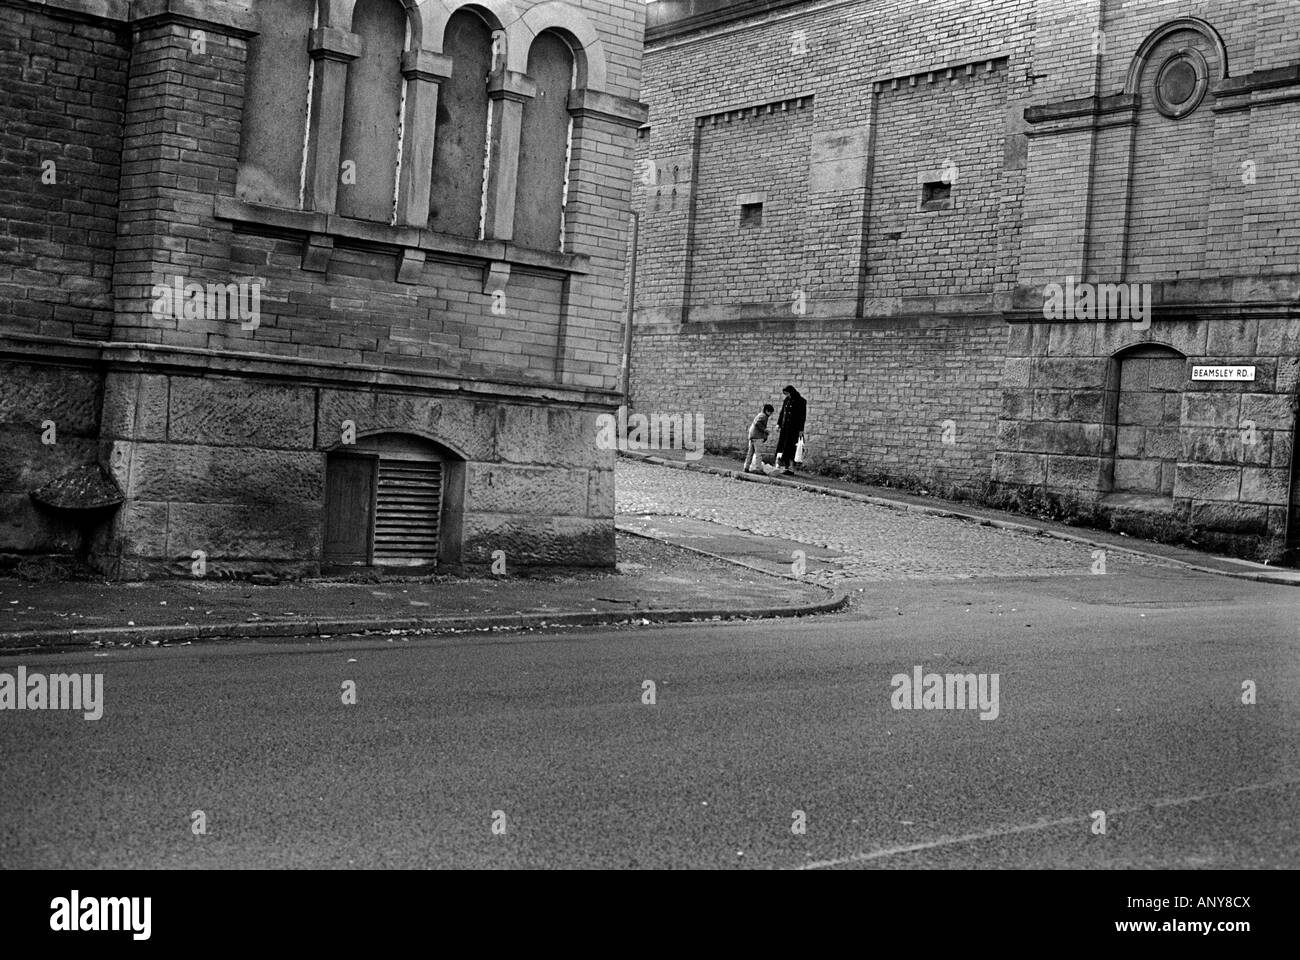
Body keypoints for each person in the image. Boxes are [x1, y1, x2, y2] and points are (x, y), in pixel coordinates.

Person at [774, 384, 807, 474]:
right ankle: (785, 466)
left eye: (787, 393)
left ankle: (791, 468)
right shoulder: (786, 400)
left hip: (794, 429)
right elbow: (782, 413)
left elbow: (802, 417)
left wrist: (801, 430)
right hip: (785, 428)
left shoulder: (801, 401)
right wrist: (779, 424)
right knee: (782, 447)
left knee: (791, 448)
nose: (787, 396)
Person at [745, 403, 774, 473]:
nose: (771, 414)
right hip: (757, 437)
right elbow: (758, 423)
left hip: (752, 436)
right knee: (758, 453)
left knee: (750, 453)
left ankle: (746, 467)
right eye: (770, 412)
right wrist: (765, 430)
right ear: (767, 411)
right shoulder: (764, 416)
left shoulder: (759, 414)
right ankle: (758, 468)